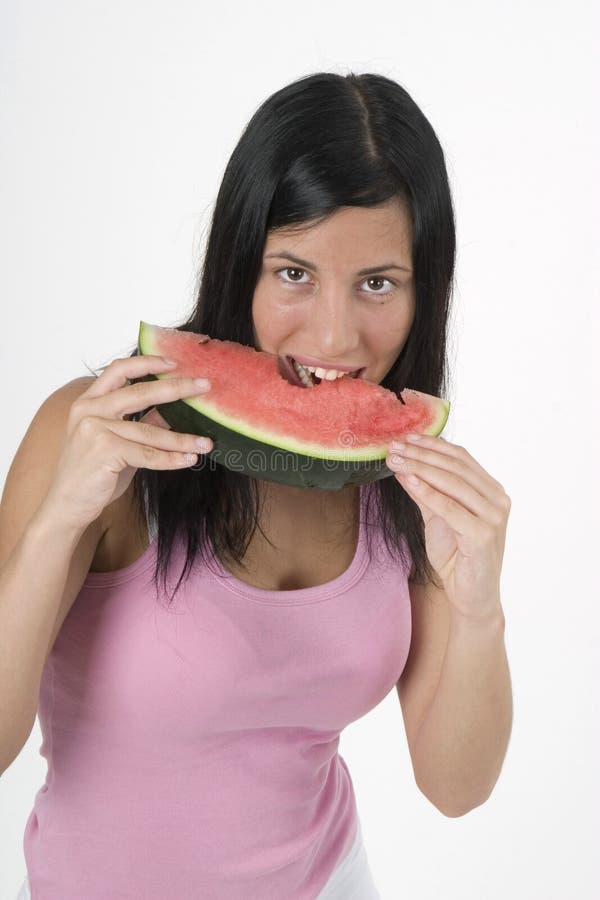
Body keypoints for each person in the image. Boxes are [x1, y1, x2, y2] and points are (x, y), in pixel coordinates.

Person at [1, 71, 513, 900]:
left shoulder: (408, 482)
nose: (336, 334)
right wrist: (61, 518)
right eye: (294, 273)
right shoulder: (103, 433)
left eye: (378, 282)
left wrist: (481, 605)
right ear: (241, 257)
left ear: (427, 288)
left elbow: (457, 789)